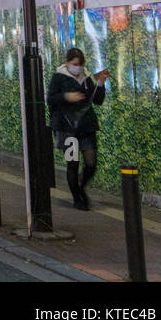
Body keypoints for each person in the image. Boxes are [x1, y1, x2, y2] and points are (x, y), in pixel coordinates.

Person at [47, 46, 109, 210]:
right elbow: (51, 99)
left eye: (80, 64)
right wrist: (67, 96)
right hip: (67, 128)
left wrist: (101, 84)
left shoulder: (87, 77)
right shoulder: (59, 77)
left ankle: (82, 188)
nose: (77, 67)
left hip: (86, 127)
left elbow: (97, 101)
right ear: (67, 63)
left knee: (91, 162)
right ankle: (77, 198)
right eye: (74, 64)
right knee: (72, 163)